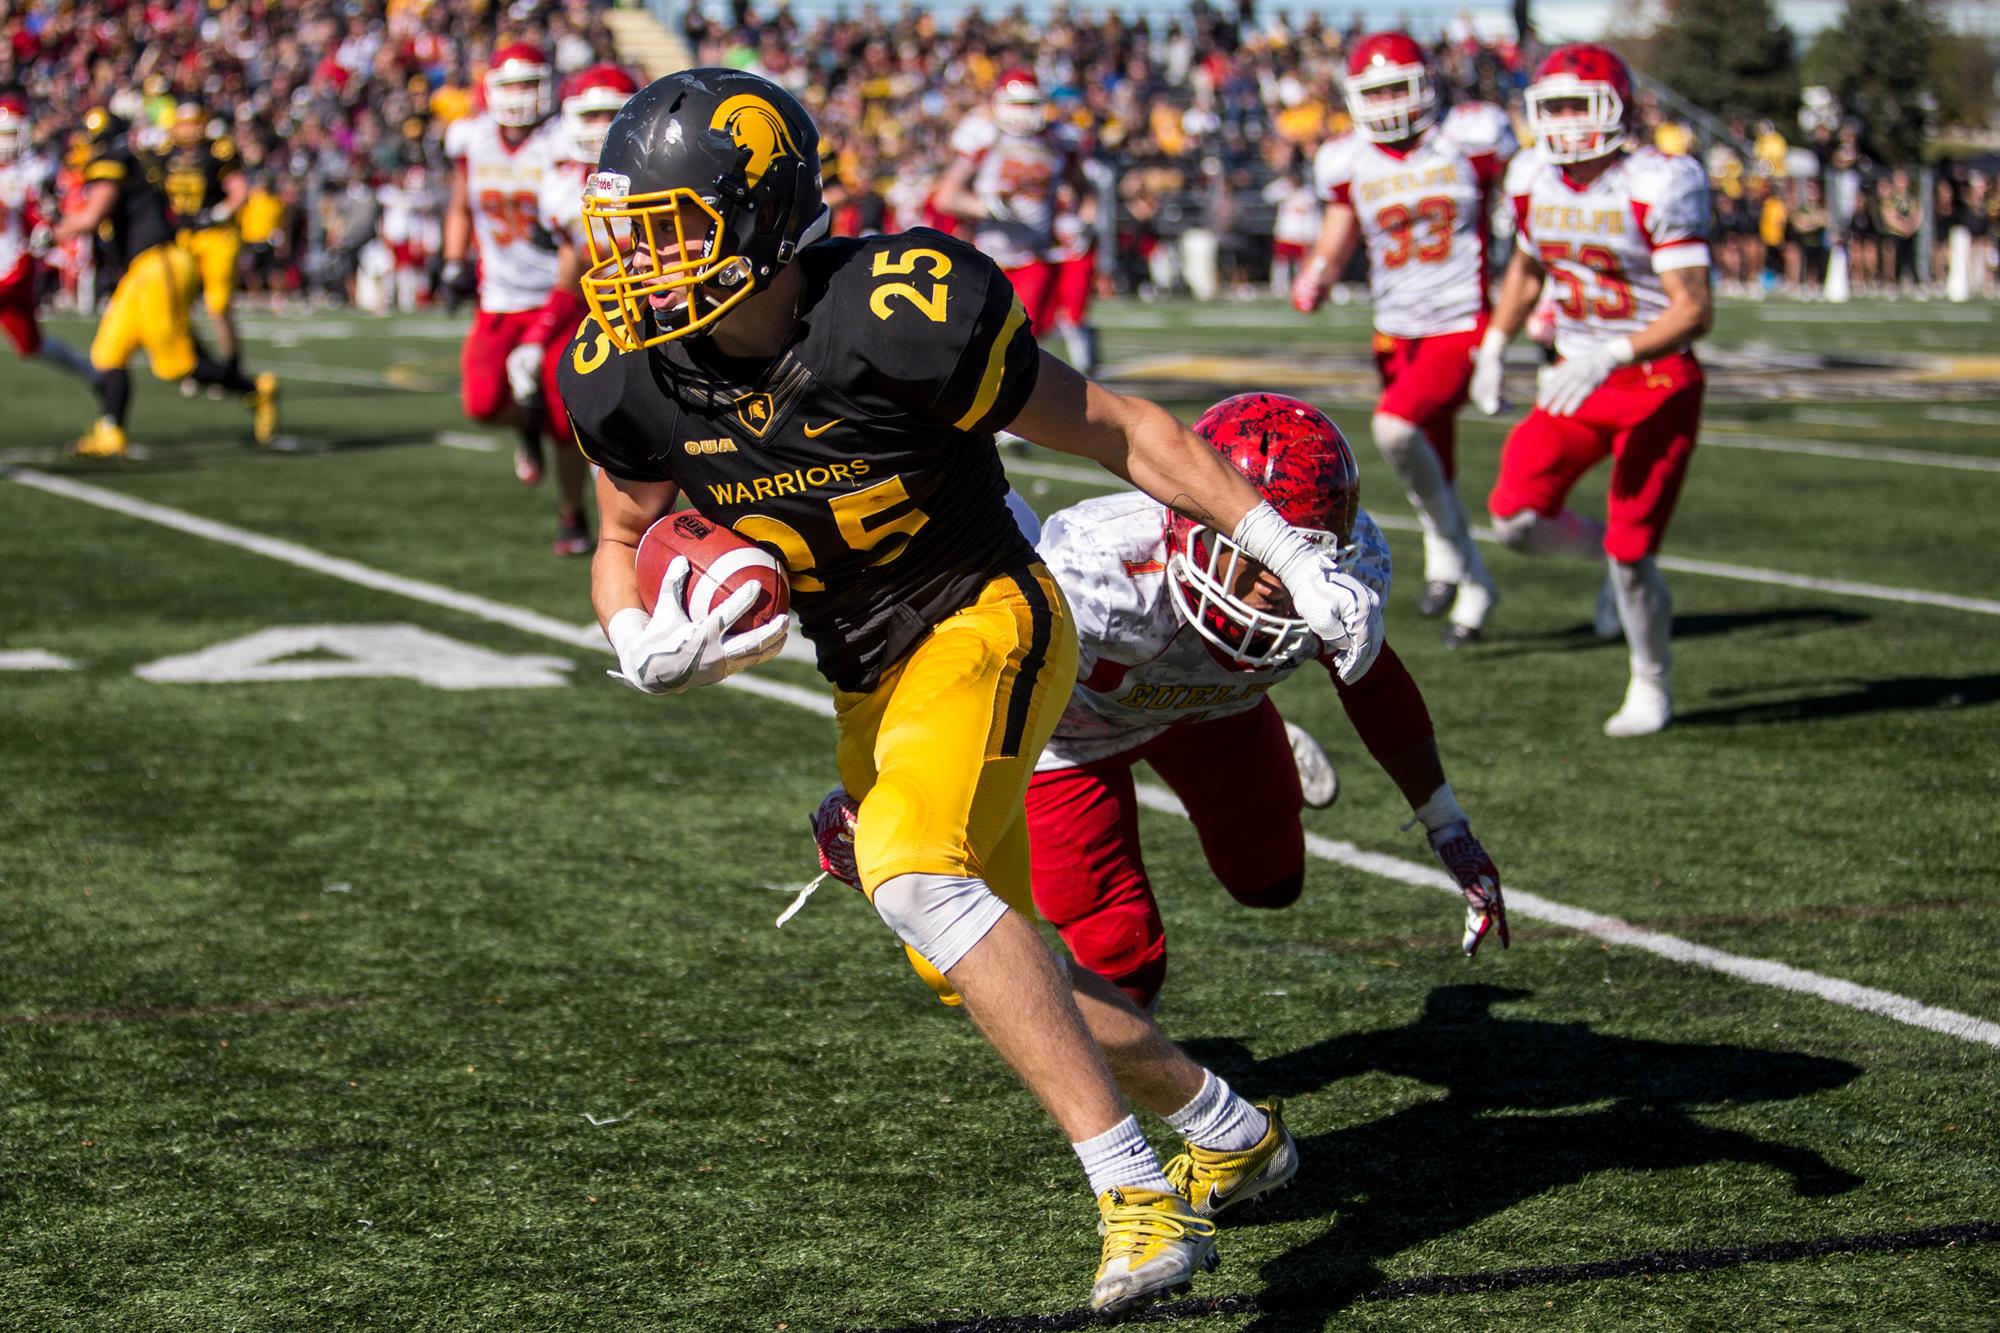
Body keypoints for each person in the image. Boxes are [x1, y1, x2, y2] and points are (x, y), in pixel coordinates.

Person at [558, 68, 1383, 1317]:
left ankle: (1132, 1194)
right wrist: (635, 638)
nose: (642, 267)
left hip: (982, 612)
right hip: (862, 673)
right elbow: (624, 529)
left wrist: (1282, 547)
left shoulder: (893, 313)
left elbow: (1113, 426)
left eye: (671, 232)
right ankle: (1233, 1129)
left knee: (909, 865)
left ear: (766, 220)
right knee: (982, 962)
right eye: (634, 235)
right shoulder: (627, 368)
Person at [1021, 392, 1508, 1010]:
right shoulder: (1093, 571)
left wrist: (1446, 826)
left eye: (1309, 552)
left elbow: (1376, 686)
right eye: (1268, 550)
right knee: (1122, 959)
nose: (1284, 579)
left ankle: (1277, 736)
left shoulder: (1352, 567)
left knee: (1272, 884)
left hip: (1215, 713)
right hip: (1070, 740)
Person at [1470, 44, 1714, 737]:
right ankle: (1603, 553)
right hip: (1576, 375)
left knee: (1637, 557)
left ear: (1618, 108)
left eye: (1582, 104)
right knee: (1514, 516)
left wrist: (1613, 352)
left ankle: (1650, 678)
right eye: (1555, 106)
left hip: (1655, 379)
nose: (1568, 121)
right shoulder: (1531, 178)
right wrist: (1494, 342)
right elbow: (1526, 261)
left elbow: (1693, 308)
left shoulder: (1660, 180)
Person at [1293, 31, 1511, 647]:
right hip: (1394, 330)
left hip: (1461, 320)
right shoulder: (1348, 159)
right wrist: (1318, 271)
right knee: (1430, 460)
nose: (1389, 102)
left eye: (1398, 87)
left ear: (1425, 86)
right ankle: (1462, 575)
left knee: (1395, 429)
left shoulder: (1468, 140)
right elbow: (1341, 227)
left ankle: (1458, 563)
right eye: (1377, 90)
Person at [52, 108, 278, 459]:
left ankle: (256, 389)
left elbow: (93, 216)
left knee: (176, 365)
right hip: (143, 270)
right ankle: (112, 432)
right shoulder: (137, 157)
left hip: (158, 265)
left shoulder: (115, 158)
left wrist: (53, 229)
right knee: (108, 353)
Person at [522, 63, 639, 556]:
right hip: (610, 317)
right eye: (589, 115)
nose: (598, 128)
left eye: (610, 114)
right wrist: (540, 332)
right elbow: (574, 262)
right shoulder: (560, 184)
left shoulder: (663, 163)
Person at [441, 43, 564, 487]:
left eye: (529, 83)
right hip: (499, 294)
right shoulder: (473, 138)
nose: (520, 94)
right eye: (511, 84)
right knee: (481, 402)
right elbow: (459, 206)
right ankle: (529, 426)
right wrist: (454, 261)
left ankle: (572, 512)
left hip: (558, 290)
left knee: (567, 418)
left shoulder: (562, 138)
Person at [931, 69, 1088, 343]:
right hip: (984, 255)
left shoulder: (1057, 140)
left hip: (1033, 254)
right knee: (973, 338)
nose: (1023, 112)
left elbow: (1084, 190)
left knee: (1022, 340)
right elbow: (945, 197)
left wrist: (1084, 221)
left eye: (1029, 104)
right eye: (1016, 103)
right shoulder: (986, 134)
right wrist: (984, 207)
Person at [0, 93, 102, 392]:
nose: (5, 141)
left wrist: (43, 224)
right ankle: (94, 375)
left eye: (9, 133)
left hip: (12, 266)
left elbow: (43, 218)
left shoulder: (34, 170)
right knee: (29, 345)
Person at [160, 101, 250, 376]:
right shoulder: (166, 154)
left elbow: (239, 190)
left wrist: (220, 211)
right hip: (184, 236)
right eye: (184, 124)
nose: (188, 130)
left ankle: (231, 365)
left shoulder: (217, 152)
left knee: (217, 304)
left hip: (217, 236)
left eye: (193, 123)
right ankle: (196, 364)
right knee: (179, 305)